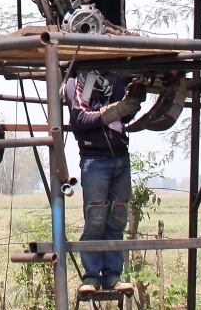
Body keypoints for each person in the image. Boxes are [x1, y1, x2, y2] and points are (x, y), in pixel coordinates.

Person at [65, 69, 143, 295]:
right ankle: (91, 276)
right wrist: (118, 108)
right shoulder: (75, 82)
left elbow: (122, 117)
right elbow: (82, 118)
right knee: (96, 218)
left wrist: (133, 102)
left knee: (117, 217)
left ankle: (113, 276)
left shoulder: (116, 79)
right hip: (95, 159)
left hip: (120, 157)